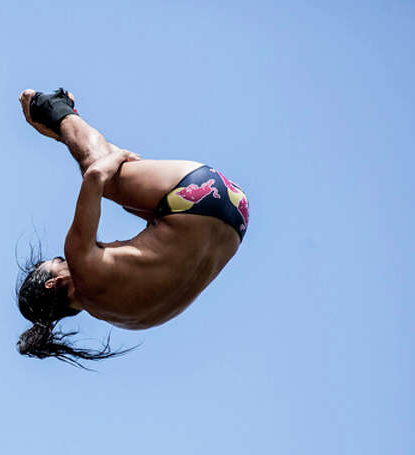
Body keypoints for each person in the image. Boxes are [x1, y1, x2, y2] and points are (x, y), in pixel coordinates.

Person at [16, 88, 249, 364]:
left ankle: (70, 131)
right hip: (199, 193)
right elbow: (95, 176)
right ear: (52, 283)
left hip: (236, 216)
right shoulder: (79, 261)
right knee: (104, 175)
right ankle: (55, 110)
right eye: (56, 260)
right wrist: (119, 155)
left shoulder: (124, 318)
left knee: (125, 196)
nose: (61, 257)